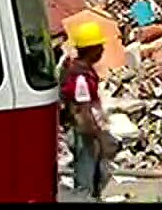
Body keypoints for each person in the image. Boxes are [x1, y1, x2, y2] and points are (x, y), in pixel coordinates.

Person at [60, 21, 118, 201]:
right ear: (90, 49)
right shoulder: (81, 77)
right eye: (99, 47)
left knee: (99, 173)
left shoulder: (81, 71)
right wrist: (99, 137)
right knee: (85, 179)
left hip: (87, 132)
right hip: (84, 133)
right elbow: (83, 112)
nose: (102, 50)